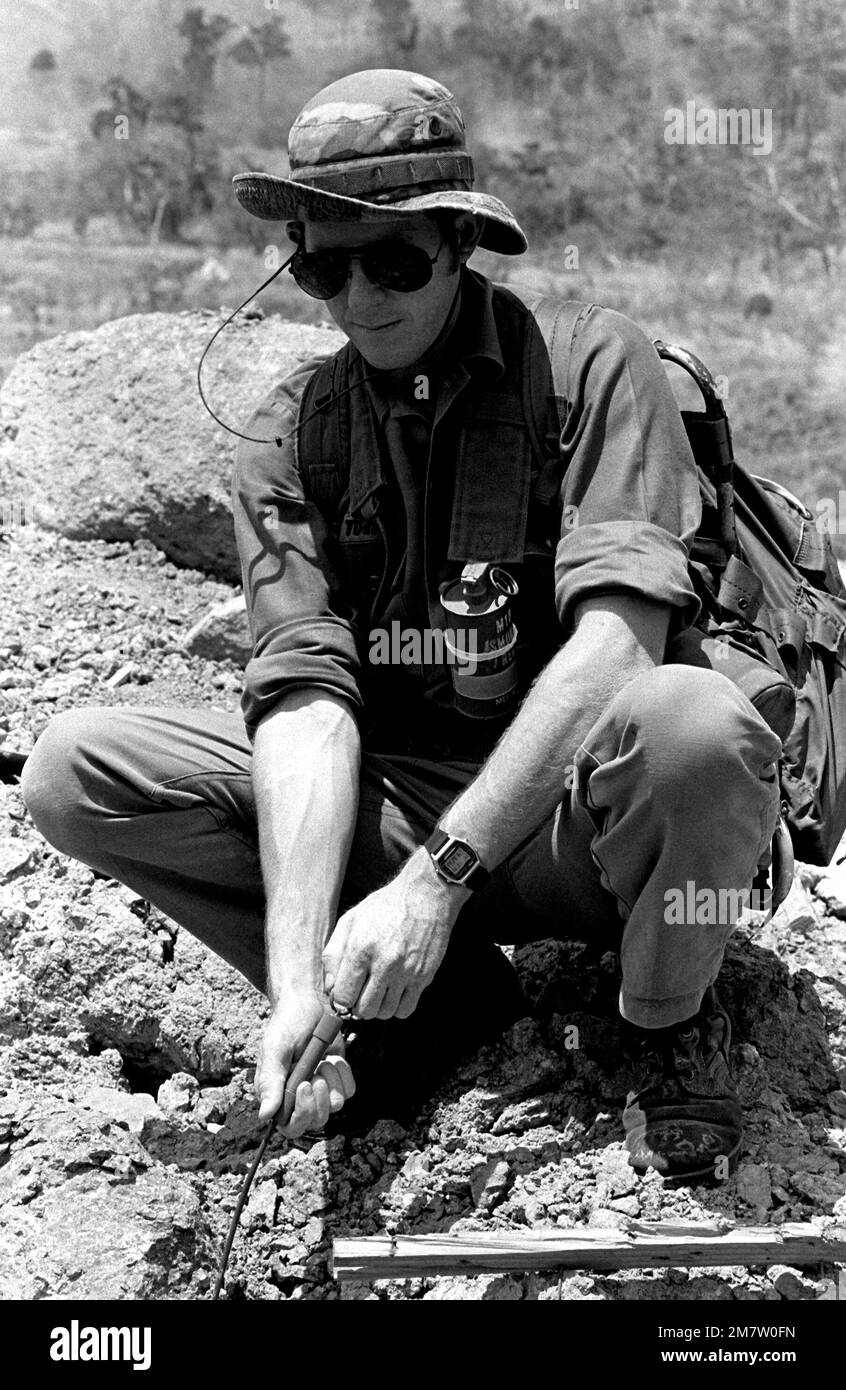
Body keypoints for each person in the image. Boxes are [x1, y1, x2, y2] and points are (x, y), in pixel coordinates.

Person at [21, 69, 782, 1184]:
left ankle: (663, 1023)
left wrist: (437, 880)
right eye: (324, 265)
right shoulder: (290, 438)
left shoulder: (590, 365)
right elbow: (305, 706)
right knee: (75, 770)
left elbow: (619, 644)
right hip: (395, 801)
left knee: (694, 726)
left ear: (460, 243)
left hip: (580, 818)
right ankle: (435, 1009)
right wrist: (297, 989)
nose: (359, 299)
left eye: (394, 262)